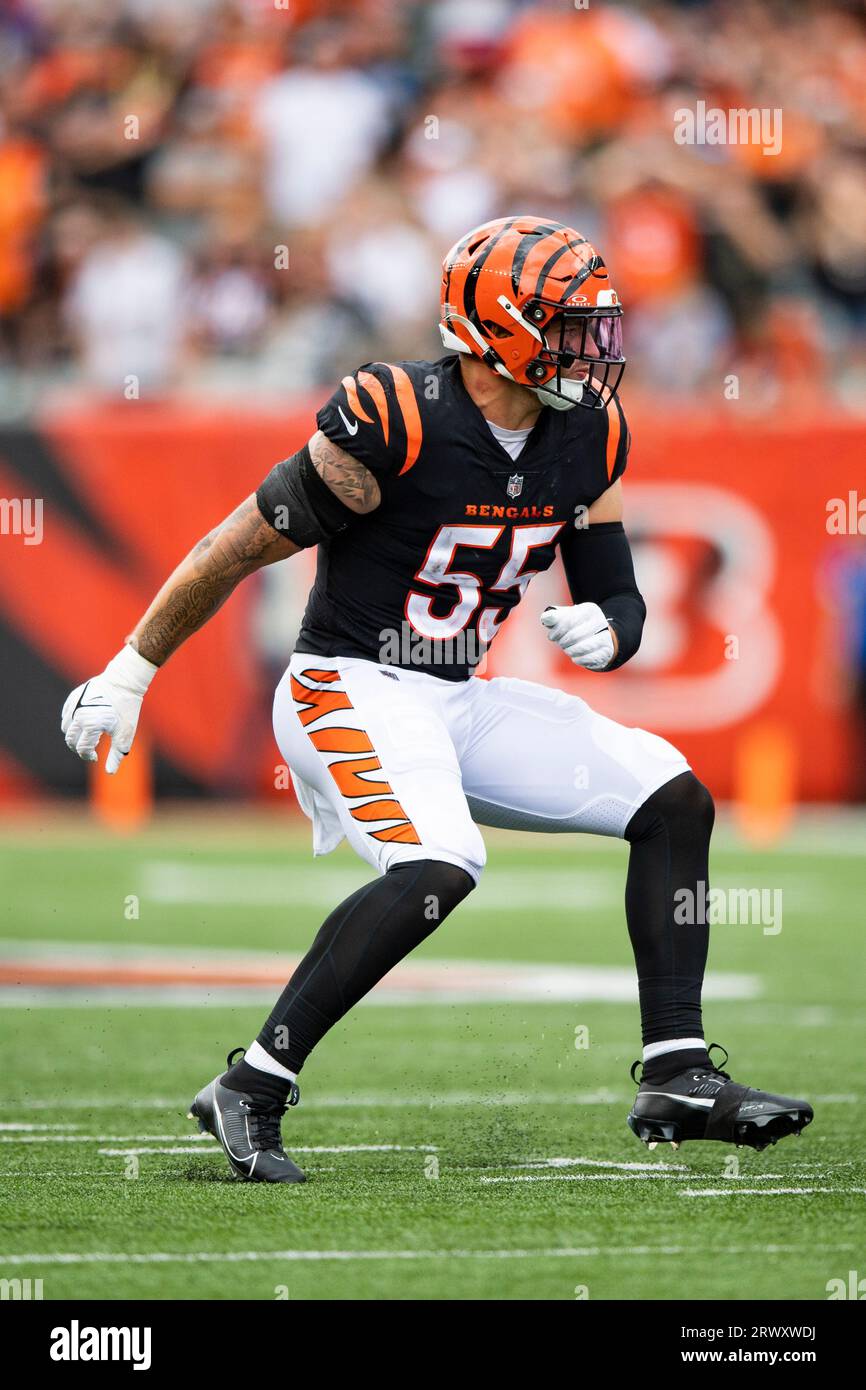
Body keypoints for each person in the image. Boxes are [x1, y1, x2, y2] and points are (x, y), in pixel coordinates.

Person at [61, 216, 812, 1182]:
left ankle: (675, 1071)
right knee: (441, 863)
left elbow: (614, 585)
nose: (590, 349)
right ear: (498, 326)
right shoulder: (395, 415)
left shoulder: (589, 430)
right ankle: (252, 1082)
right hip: (348, 679)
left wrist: (617, 630)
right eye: (565, 325)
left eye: (592, 325)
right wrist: (134, 668)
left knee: (674, 796)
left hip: (456, 693)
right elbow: (237, 545)